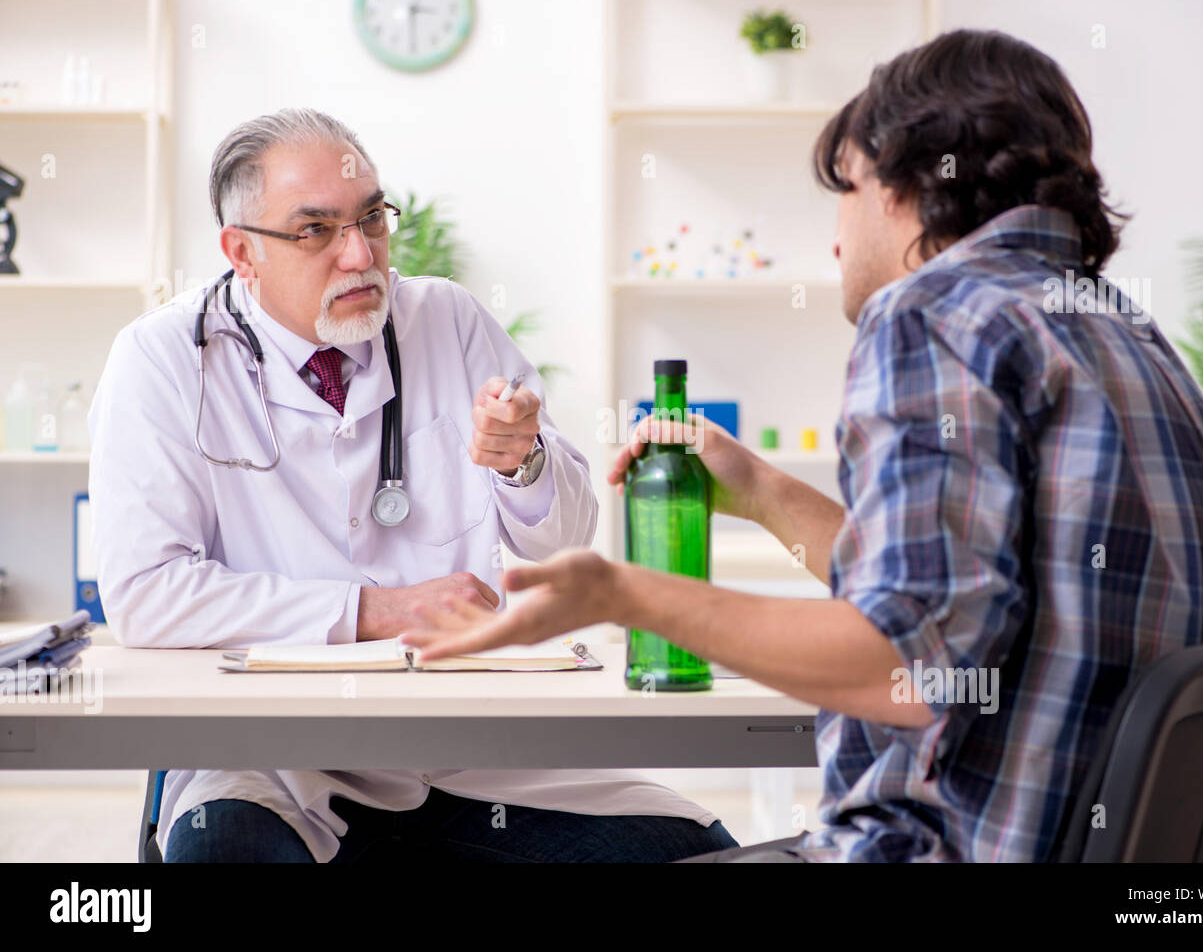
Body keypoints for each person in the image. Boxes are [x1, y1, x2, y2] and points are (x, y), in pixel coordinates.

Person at [399, 29, 1203, 862]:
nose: (838, 238)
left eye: (845, 188)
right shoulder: (1128, 334)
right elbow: (964, 607)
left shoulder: (934, 315)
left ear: (908, 184)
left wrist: (627, 594)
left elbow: (906, 666)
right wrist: (768, 493)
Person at [87, 108, 736, 863]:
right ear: (242, 252)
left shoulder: (447, 319)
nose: (359, 253)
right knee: (224, 853)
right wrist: (376, 609)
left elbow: (564, 540)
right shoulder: (163, 359)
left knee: (693, 851)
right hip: (270, 759)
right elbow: (144, 591)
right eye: (316, 230)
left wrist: (521, 460)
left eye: (370, 219)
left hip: (467, 754)